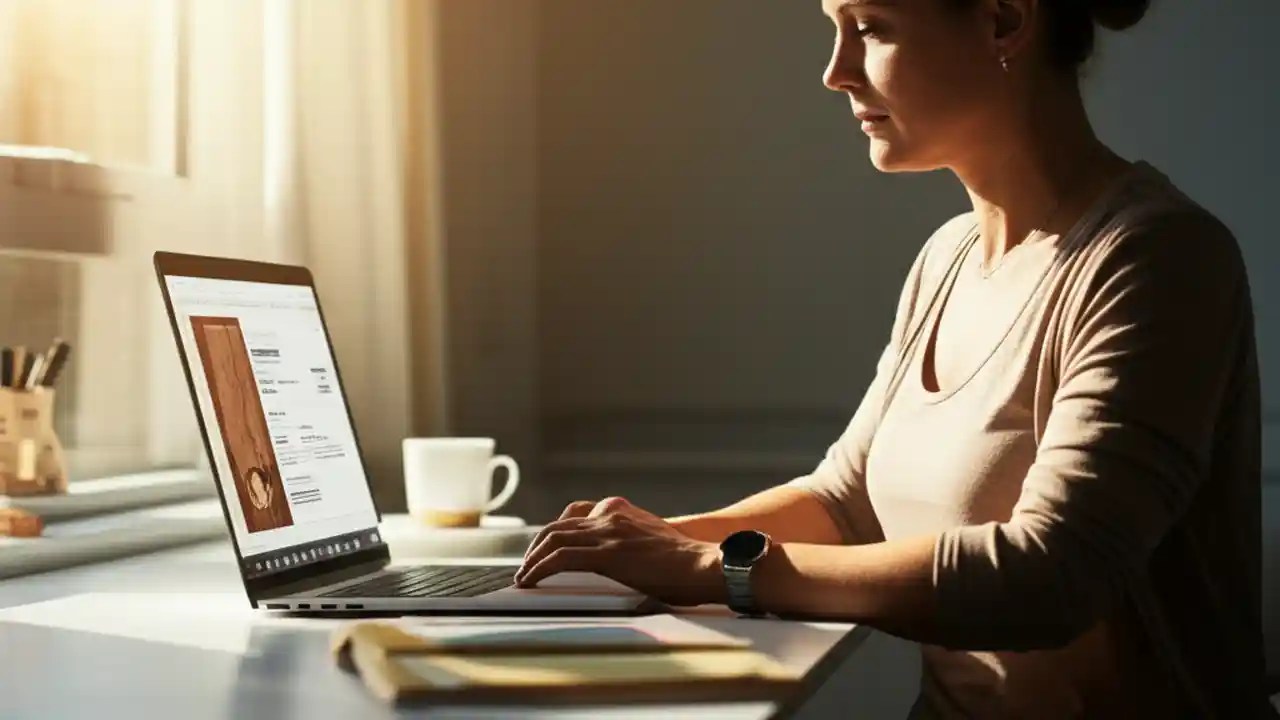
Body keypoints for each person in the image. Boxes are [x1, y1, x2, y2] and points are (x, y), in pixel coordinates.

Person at [516, 0, 1275, 716]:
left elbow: (1052, 576)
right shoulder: (948, 257)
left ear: (1004, 20)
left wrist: (704, 567)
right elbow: (846, 505)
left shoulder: (1158, 258)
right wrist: (644, 543)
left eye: (871, 26)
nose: (835, 72)